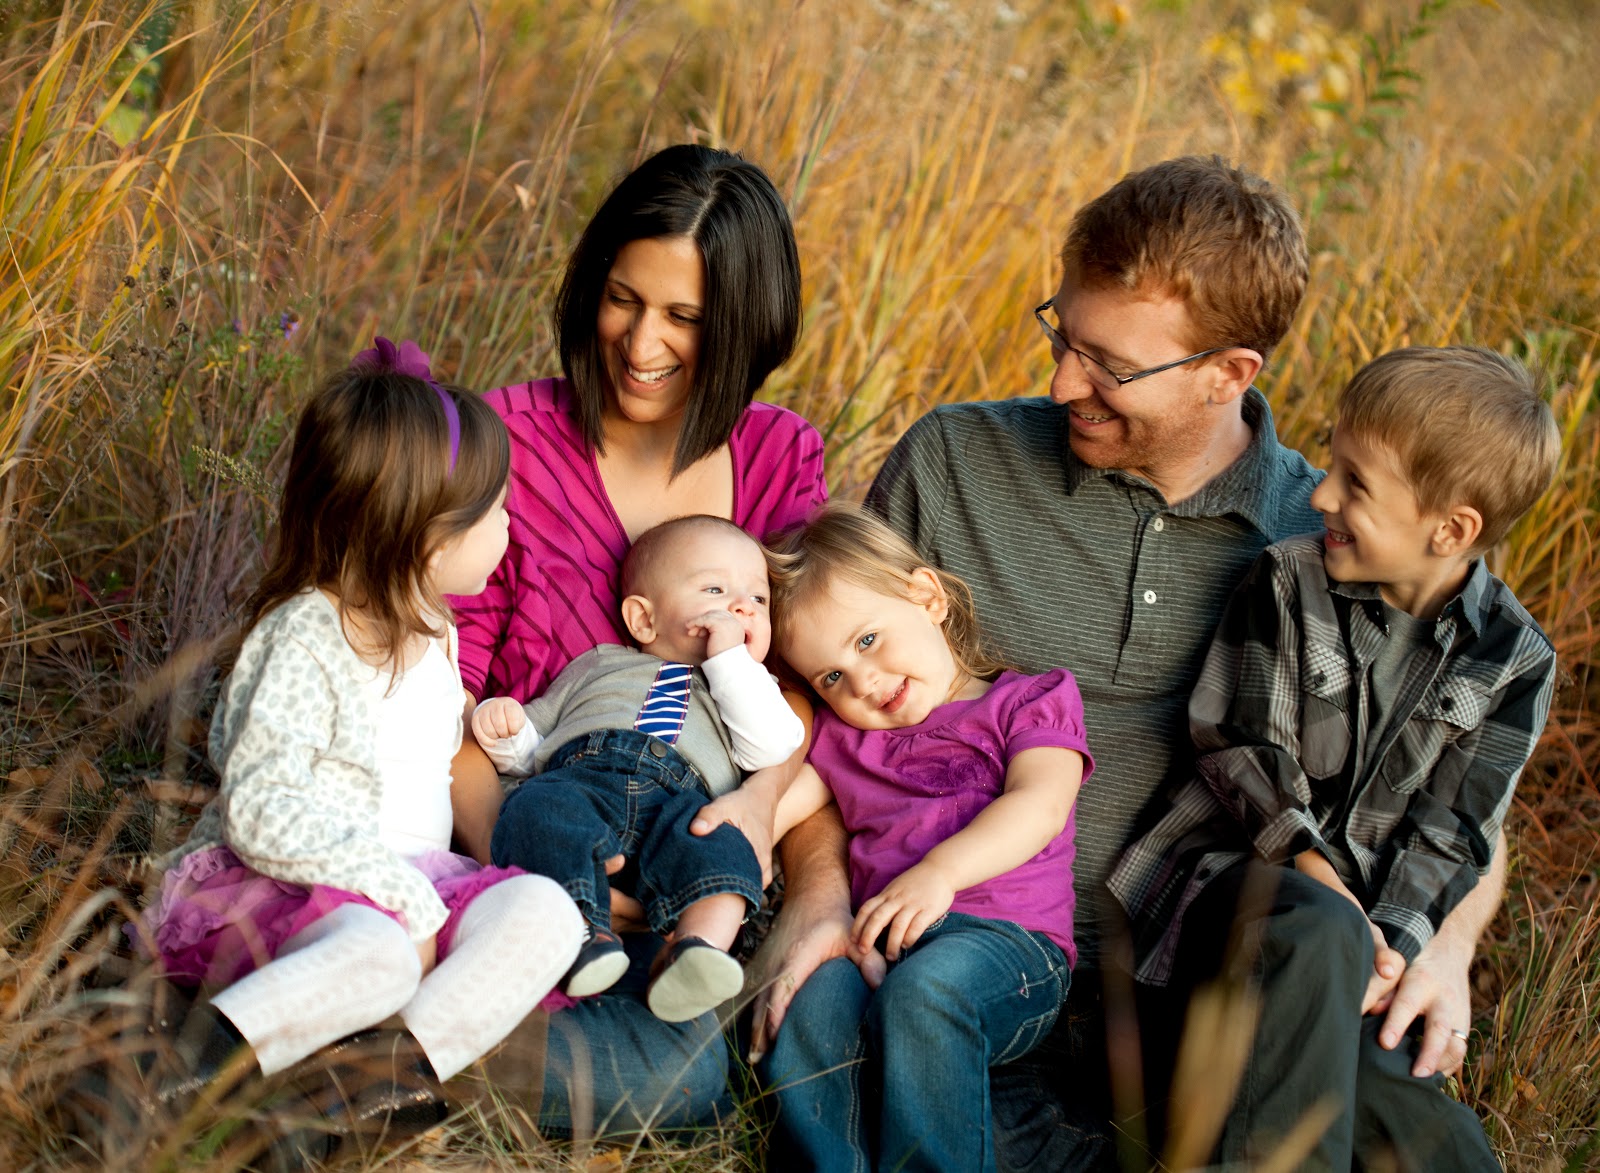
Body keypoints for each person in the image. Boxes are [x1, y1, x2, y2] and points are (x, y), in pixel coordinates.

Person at [753, 156, 1511, 1169]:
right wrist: (815, 898)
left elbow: (1461, 785)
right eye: (1062, 335)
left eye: (1109, 364)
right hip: (965, 952)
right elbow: (820, 714)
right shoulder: (955, 463)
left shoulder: (1331, 533)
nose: (1064, 383)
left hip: (1197, 978)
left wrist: (1446, 950)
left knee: (1405, 1130)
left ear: (1228, 373)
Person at [445, 143, 827, 1134]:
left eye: (684, 317)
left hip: (678, 869)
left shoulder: (778, 457)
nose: (641, 341)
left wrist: (756, 810)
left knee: (684, 1078)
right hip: (514, 834)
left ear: (744, 325)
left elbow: (798, 690)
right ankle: (349, 1051)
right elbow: (450, 698)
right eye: (623, 299)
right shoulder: (509, 441)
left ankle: (371, 1061)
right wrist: (528, 876)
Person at [127, 338, 585, 1156]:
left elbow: (423, 753)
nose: (510, 525)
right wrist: (399, 897)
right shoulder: (306, 636)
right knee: (381, 954)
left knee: (547, 912)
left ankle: (368, 1089)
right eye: (495, 511)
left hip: (411, 882)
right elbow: (262, 810)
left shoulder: (434, 631)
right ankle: (178, 1075)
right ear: (429, 539)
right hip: (294, 882)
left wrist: (502, 736)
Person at [1109, 346, 1559, 1169]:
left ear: (1451, 529)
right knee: (1316, 928)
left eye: (1356, 483)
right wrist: (1336, 901)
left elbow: (1453, 833)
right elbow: (1241, 746)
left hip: (1354, 959)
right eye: (1332, 464)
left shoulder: (1514, 659)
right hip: (1232, 915)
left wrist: (1387, 952)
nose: (1321, 495)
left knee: (1426, 1130)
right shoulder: (1287, 580)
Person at [760, 503, 1090, 1171]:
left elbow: (1040, 804)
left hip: (1008, 950)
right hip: (878, 945)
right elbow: (774, 813)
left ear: (927, 596)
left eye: (866, 640)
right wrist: (728, 852)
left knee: (926, 994)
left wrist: (941, 872)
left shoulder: (1028, 701)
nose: (863, 681)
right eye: (831, 678)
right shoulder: (846, 740)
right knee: (811, 1006)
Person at [474, 515, 803, 1021]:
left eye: (757, 599)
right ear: (644, 620)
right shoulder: (598, 663)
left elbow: (772, 748)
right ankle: (581, 931)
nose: (742, 607)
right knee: (537, 806)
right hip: (585, 778)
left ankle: (695, 954)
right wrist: (507, 731)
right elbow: (534, 748)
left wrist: (731, 662)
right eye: (715, 590)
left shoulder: (750, 690)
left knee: (726, 850)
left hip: (683, 806)